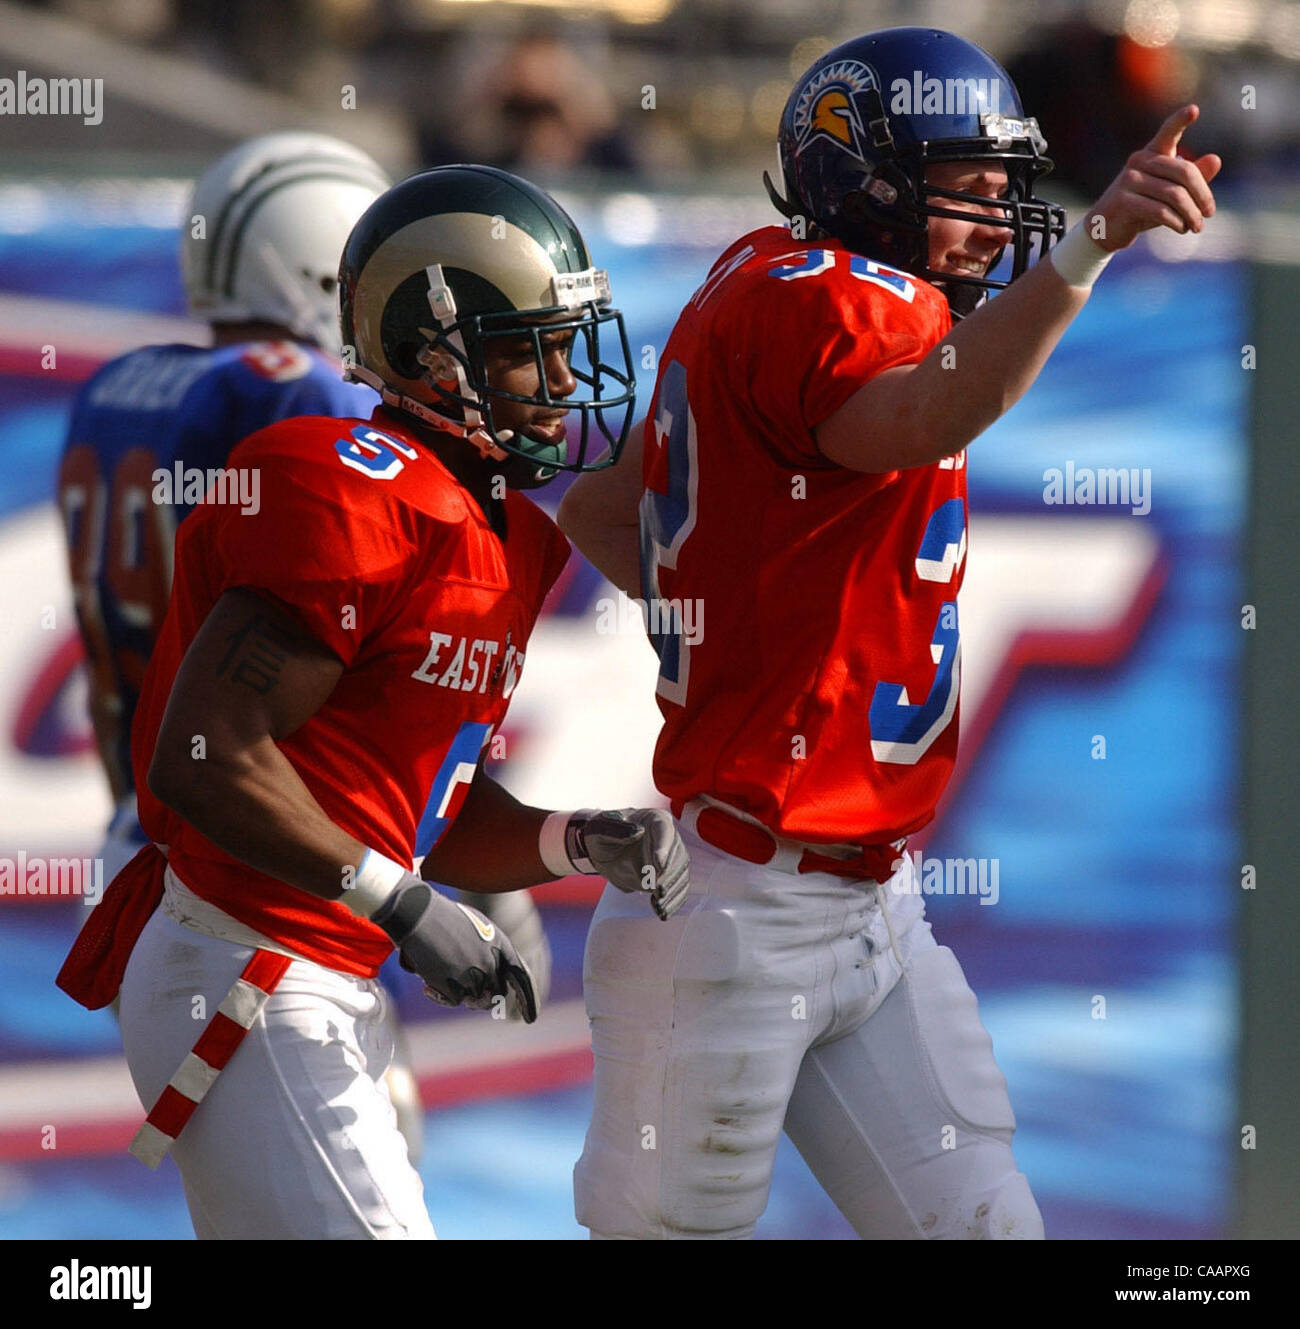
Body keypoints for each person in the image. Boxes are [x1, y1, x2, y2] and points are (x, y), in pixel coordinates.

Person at [558, 26, 1219, 1239]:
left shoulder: (765, 280)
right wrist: (1092, 244)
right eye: (964, 193)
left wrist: (742, 617)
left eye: (1003, 192)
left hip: (867, 901)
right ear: (853, 180)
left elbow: (611, 509)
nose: (992, 222)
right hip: (739, 901)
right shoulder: (827, 297)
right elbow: (929, 410)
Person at [57, 163, 689, 1239]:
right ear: (431, 348)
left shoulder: (506, 536)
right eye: (529, 350)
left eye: (565, 346)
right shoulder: (346, 486)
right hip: (246, 961)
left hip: (318, 973)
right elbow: (204, 752)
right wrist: (402, 908)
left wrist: (572, 841)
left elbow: (417, 813)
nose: (564, 380)